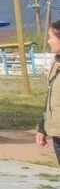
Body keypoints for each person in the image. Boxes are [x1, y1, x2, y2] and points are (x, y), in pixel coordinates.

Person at [36, 20, 60, 165]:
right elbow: (51, 99)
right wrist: (42, 127)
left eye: (51, 37)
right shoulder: (56, 65)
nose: (48, 41)